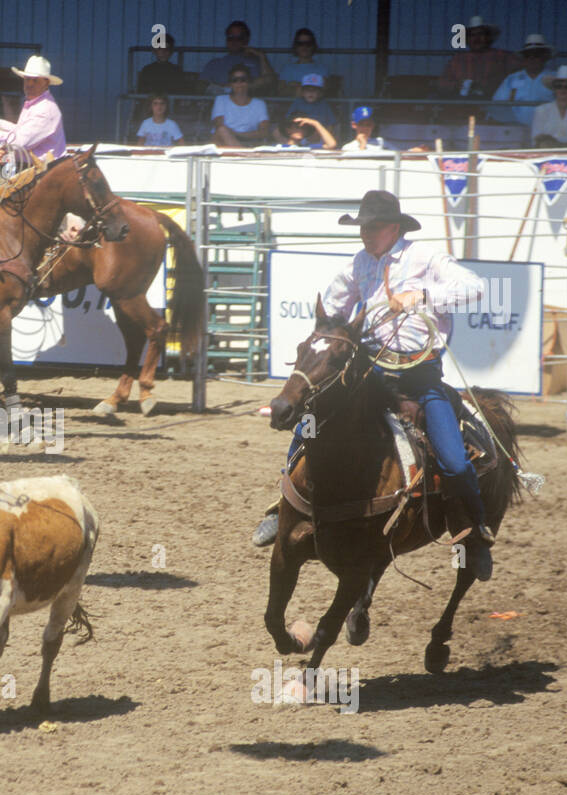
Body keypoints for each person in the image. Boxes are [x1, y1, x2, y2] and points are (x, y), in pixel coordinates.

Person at [252, 191, 496, 578]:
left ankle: (475, 533)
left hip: (420, 374)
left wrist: (423, 295)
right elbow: (334, 307)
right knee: (312, 422)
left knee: (452, 457)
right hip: (373, 371)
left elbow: (477, 288)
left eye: (373, 226)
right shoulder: (359, 265)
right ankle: (284, 505)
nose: (366, 233)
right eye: (363, 227)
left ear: (394, 228)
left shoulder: (425, 259)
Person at [0, 55, 67, 163]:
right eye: (27, 79)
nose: (29, 84)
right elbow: (23, 131)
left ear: (46, 83)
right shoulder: (37, 104)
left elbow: (19, 143)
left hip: (44, 172)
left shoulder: (45, 110)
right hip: (37, 169)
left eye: (35, 81)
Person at [436, 15, 519, 99]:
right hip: (464, 104)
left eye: (481, 34)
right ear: (467, 39)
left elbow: (520, 77)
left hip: (493, 103)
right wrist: (456, 86)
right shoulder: (457, 60)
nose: (477, 38)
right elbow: (442, 84)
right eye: (472, 35)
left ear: (488, 37)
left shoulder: (503, 57)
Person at [488, 35, 557, 125]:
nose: (532, 59)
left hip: (548, 131)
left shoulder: (556, 79)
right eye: (528, 55)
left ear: (544, 57)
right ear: (523, 58)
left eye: (536, 55)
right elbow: (497, 106)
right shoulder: (511, 79)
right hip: (515, 130)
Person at [202, 21, 275, 95]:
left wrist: (262, 56)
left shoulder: (257, 62)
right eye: (231, 37)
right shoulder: (214, 64)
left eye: (239, 38)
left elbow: (270, 83)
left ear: (246, 40)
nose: (234, 41)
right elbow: (202, 87)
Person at [531, 66, 567, 147]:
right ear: (554, 89)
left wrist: (554, 143)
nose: (563, 89)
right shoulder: (541, 110)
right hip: (547, 154)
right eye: (558, 86)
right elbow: (537, 139)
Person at [211, 66, 269, 147]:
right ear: (230, 84)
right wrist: (233, 135)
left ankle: (243, 153)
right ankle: (245, 155)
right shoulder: (221, 99)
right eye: (235, 80)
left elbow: (264, 132)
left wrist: (238, 134)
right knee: (222, 130)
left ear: (249, 82)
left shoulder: (259, 104)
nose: (239, 83)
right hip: (223, 140)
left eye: (243, 79)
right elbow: (218, 125)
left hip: (249, 141)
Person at [276, 28, 328, 96]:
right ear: (295, 46)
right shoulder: (287, 68)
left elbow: (324, 91)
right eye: (300, 44)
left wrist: (295, 85)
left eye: (308, 44)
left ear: (313, 46)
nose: (304, 46)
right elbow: (280, 91)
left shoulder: (322, 68)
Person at [261, 115, 335, 151]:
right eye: (296, 127)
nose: (300, 130)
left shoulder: (308, 147)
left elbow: (331, 145)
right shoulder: (277, 147)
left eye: (304, 128)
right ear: (287, 129)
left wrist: (316, 123)